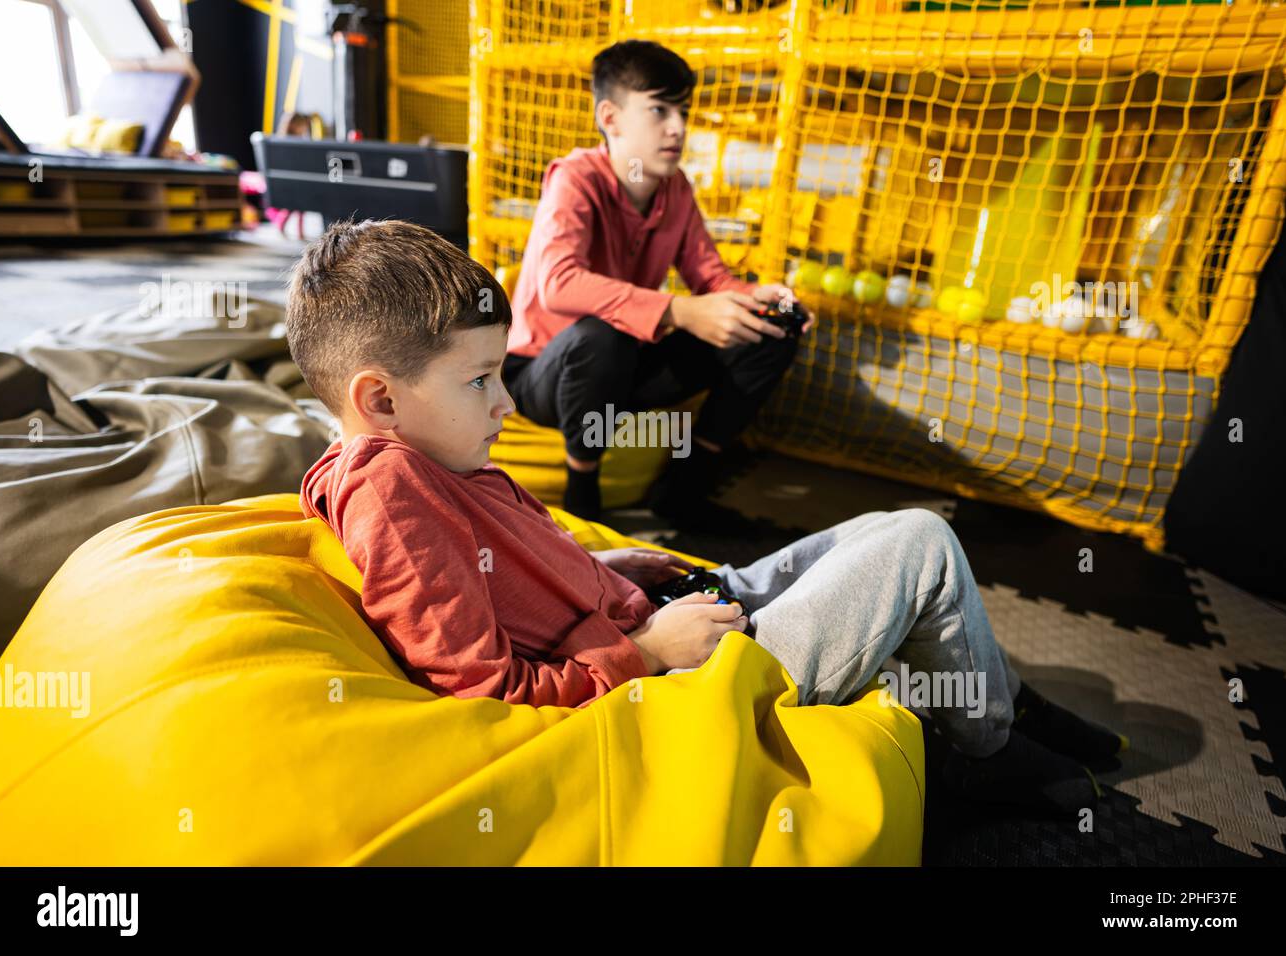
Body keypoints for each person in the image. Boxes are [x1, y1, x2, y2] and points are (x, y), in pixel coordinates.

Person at [288, 219, 1128, 818]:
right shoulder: (391, 491)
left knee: (883, 527)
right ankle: (986, 746)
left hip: (661, 615)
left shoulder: (424, 460)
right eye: (480, 381)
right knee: (922, 542)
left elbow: (503, 573)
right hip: (681, 677)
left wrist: (602, 571)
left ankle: (1000, 695)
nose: (507, 403)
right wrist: (646, 652)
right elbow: (488, 696)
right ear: (381, 399)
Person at [502, 40, 808, 532]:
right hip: (545, 374)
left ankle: (685, 490)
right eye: (659, 110)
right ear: (612, 117)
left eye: (683, 111)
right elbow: (559, 283)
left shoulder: (675, 188)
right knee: (603, 334)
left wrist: (762, 297)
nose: (679, 128)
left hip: (625, 366)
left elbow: (711, 278)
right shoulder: (575, 178)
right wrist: (681, 312)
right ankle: (585, 498)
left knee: (770, 332)